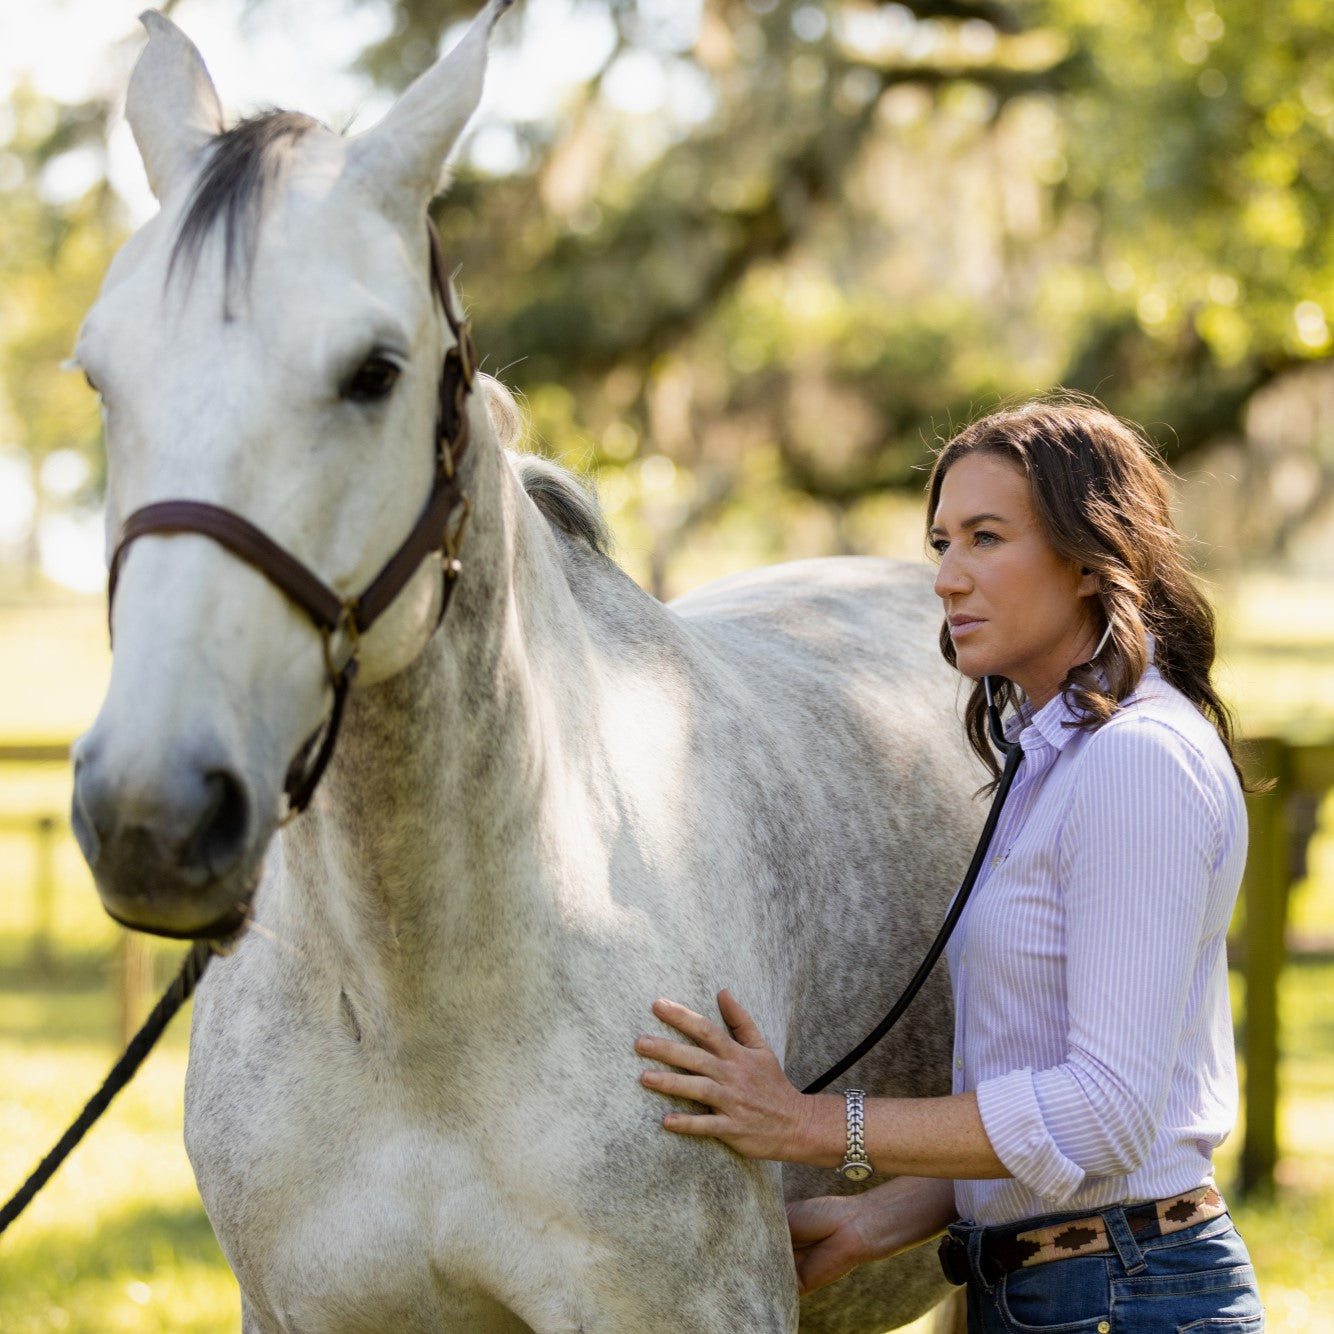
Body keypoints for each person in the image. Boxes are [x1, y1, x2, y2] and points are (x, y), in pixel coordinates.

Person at [634, 398, 1265, 1331]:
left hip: (1128, 1298)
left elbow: (1108, 1112)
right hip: (1062, 1290)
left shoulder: (1138, 763)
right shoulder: (1058, 759)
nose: (945, 578)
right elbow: (1043, 1101)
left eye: (985, 538)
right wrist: (876, 1216)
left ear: (1091, 560)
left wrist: (813, 1125)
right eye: (940, 542)